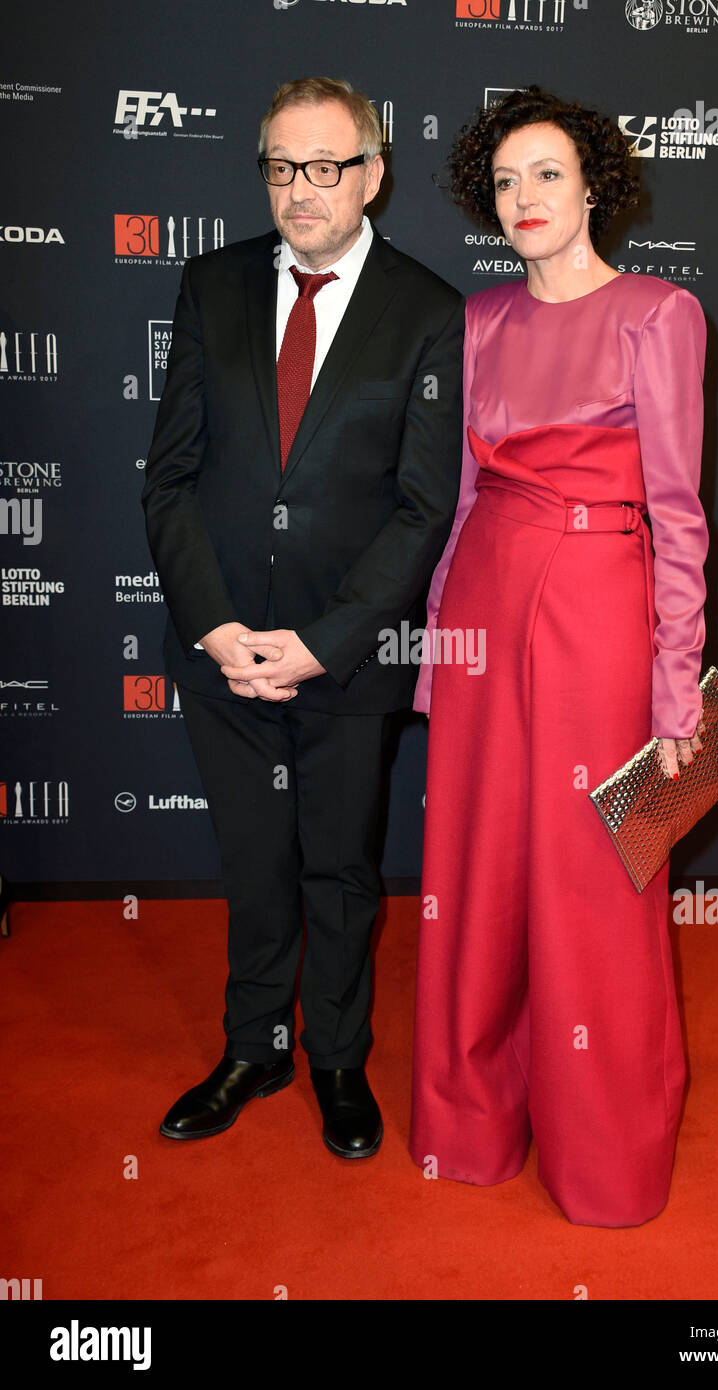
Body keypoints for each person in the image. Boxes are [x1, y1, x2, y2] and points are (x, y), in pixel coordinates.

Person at [142, 77, 463, 1159]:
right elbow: (170, 479)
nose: (302, 190)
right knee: (253, 858)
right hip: (225, 646)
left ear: (372, 173)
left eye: (327, 166)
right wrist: (214, 625)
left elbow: (425, 507)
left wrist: (326, 644)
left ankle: (334, 1053)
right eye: (282, 165)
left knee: (337, 864)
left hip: (345, 656)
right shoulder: (211, 283)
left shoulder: (426, 310)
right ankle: (253, 1045)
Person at [409, 87, 709, 1226]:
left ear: (594, 186)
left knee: (599, 878)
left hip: (602, 610)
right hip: (488, 594)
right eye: (506, 182)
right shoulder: (477, 321)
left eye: (547, 174)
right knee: (477, 872)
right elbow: (462, 500)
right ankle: (472, 1122)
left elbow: (679, 514)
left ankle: (606, 1151)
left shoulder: (660, 313)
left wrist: (675, 680)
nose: (525, 199)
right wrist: (440, 650)